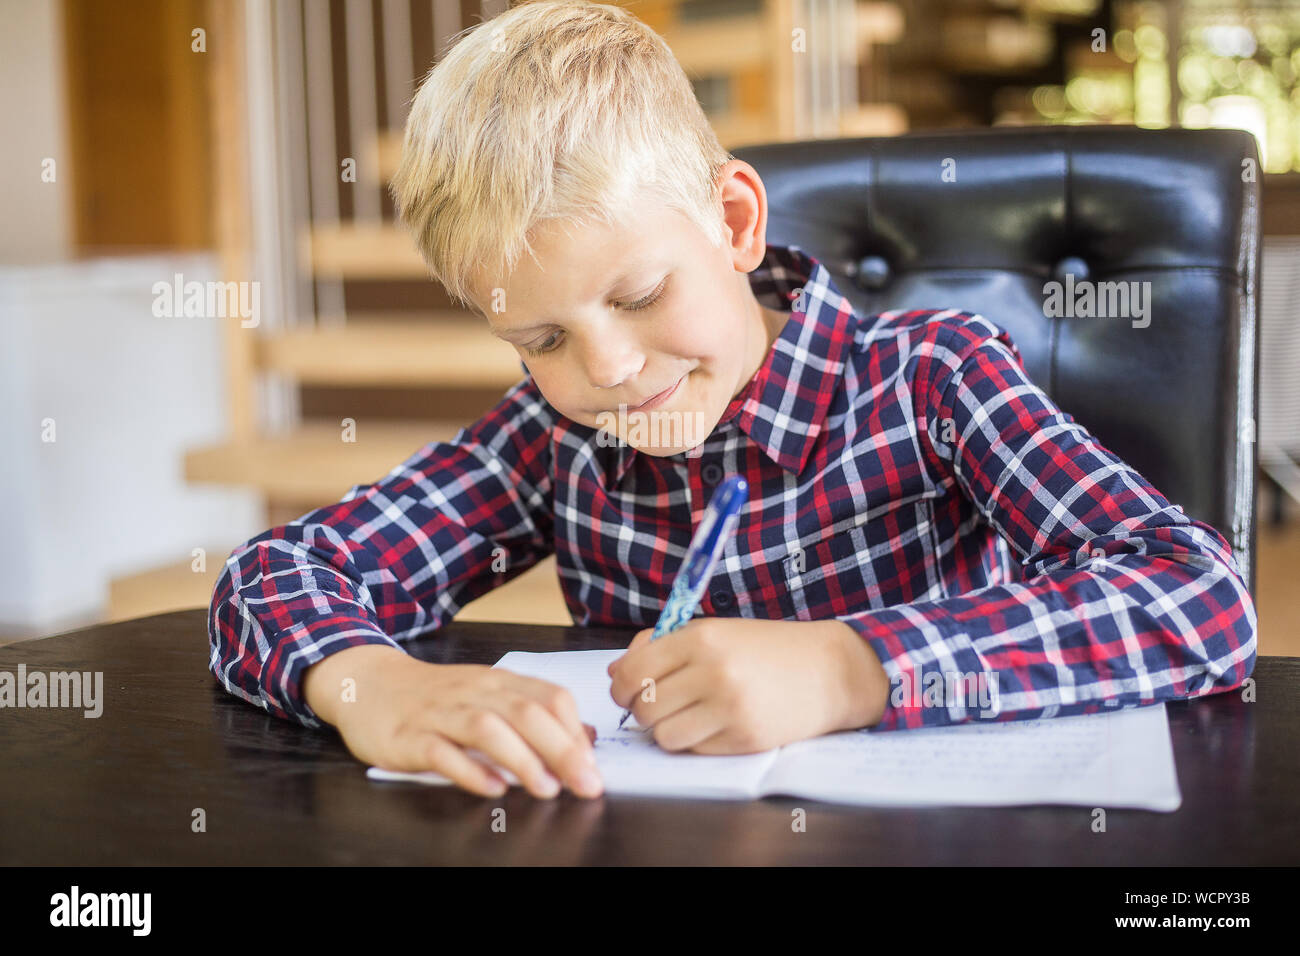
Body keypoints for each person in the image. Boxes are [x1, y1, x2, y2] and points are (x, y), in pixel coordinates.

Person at [208, 0, 1256, 801]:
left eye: (638, 294)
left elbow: (1196, 596)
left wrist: (856, 668)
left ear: (734, 220)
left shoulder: (933, 378)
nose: (607, 368)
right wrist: (368, 685)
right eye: (542, 338)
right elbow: (277, 574)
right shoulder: (550, 436)